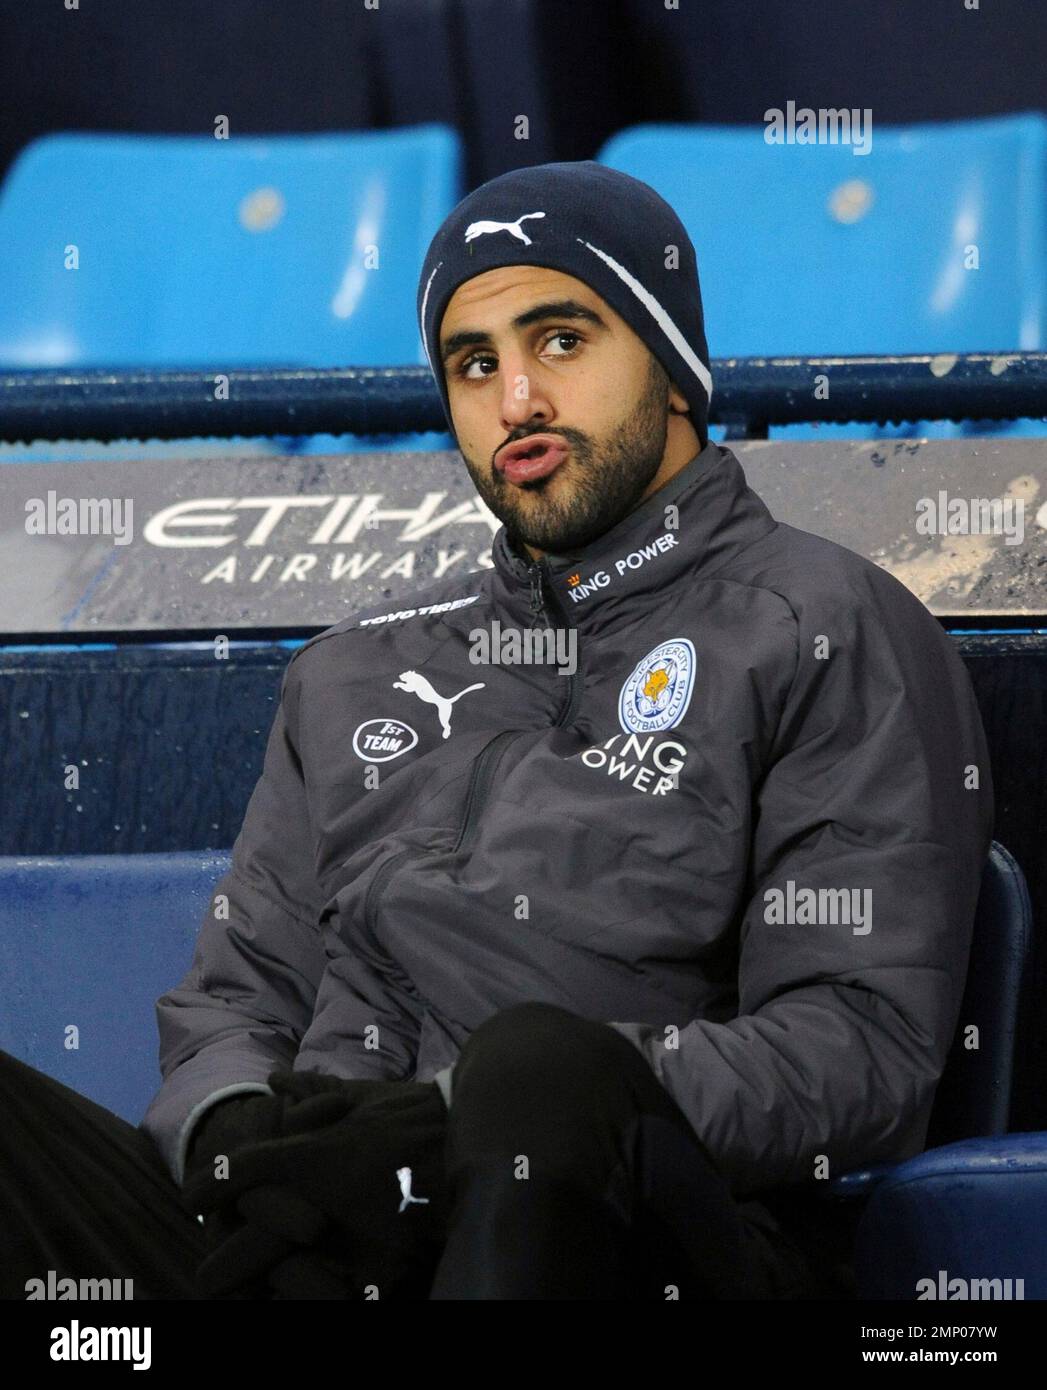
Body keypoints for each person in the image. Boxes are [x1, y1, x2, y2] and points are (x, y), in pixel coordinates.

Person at [0, 161, 992, 1301]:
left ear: (671, 365)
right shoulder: (353, 669)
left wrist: (458, 1121)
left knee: (541, 1067)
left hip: (633, 1233)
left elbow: (862, 1046)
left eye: (560, 339)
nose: (516, 399)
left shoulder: (826, 624)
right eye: (474, 364)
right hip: (329, 1227)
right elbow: (235, 1002)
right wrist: (241, 1137)